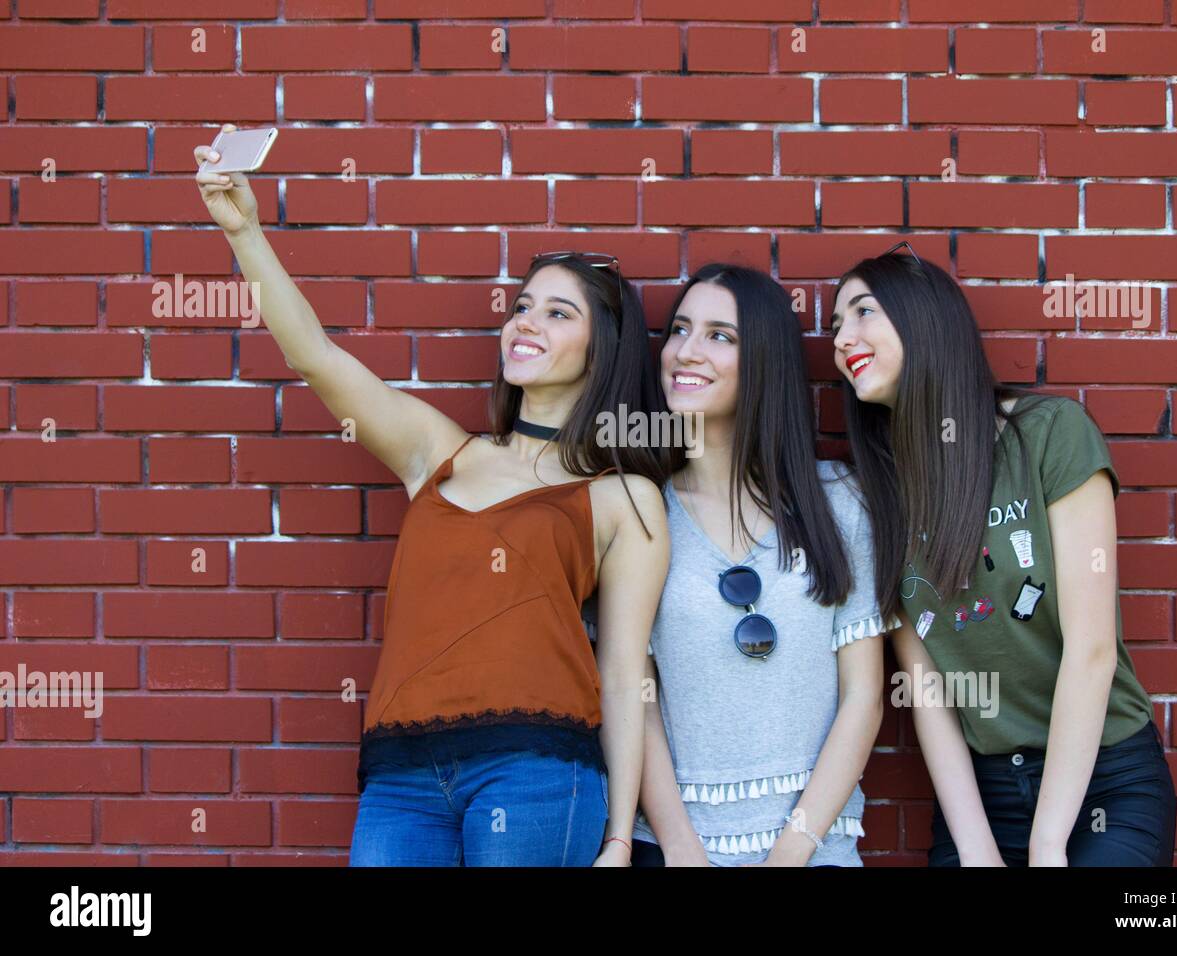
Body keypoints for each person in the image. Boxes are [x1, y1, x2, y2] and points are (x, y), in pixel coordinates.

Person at [193, 124, 670, 866]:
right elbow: (315, 357)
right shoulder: (439, 452)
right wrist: (246, 232)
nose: (525, 322)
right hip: (401, 776)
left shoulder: (622, 496)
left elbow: (625, 671)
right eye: (520, 306)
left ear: (600, 347)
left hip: (536, 771)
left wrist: (618, 838)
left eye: (556, 312)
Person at [829, 241, 1177, 866]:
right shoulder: (876, 496)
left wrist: (1047, 844)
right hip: (983, 794)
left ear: (924, 317)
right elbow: (926, 686)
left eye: (862, 311)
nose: (841, 337)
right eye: (834, 325)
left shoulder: (1048, 434)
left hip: (1103, 777)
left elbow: (1092, 651)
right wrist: (976, 847)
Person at [632, 263, 892, 867]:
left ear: (766, 362)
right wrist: (679, 849)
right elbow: (635, 698)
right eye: (679, 330)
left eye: (720, 336)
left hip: (812, 851)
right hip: (676, 850)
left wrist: (792, 851)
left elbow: (863, 698)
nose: (686, 352)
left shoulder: (841, 504)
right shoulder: (640, 513)